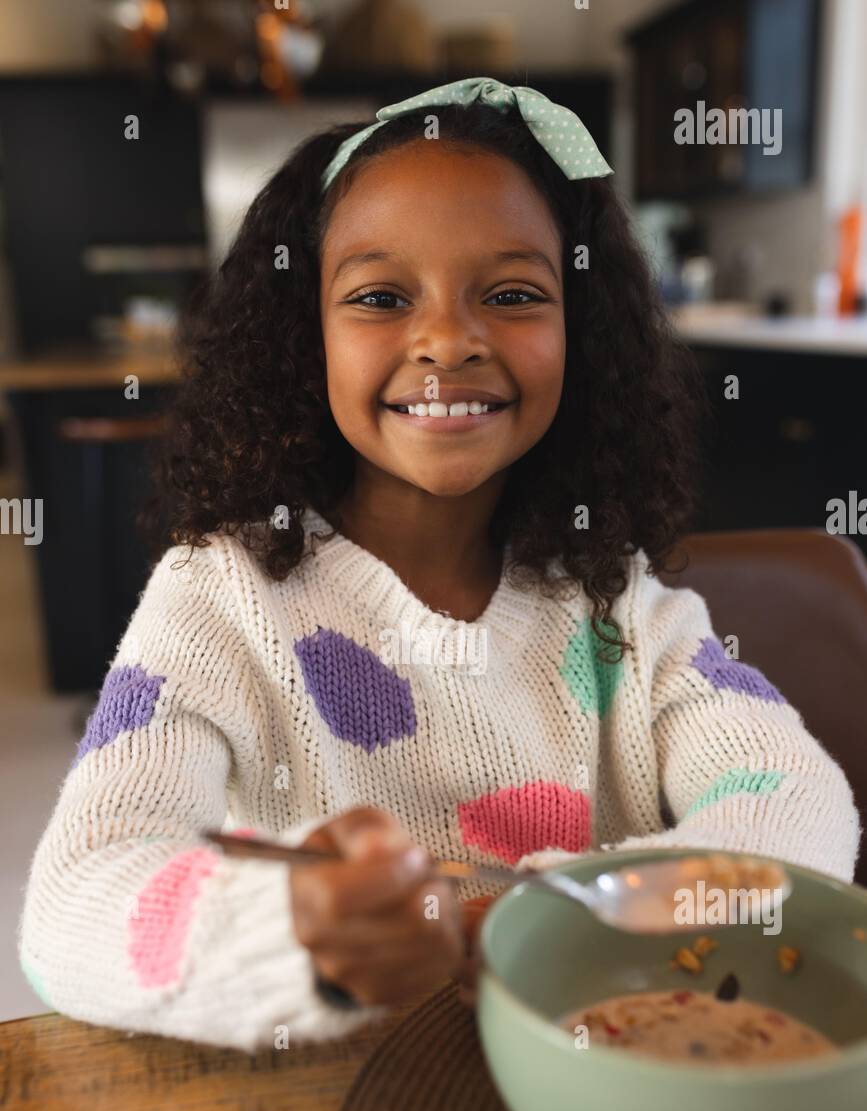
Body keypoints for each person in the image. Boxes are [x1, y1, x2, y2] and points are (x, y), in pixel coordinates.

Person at [18, 80, 860, 1052]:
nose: (450, 340)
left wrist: (545, 916)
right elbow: (71, 906)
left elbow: (798, 799)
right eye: (380, 296)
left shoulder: (617, 603)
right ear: (306, 337)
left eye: (512, 295)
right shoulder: (221, 598)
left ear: (580, 336)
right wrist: (296, 931)